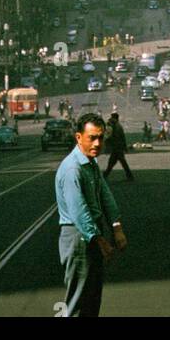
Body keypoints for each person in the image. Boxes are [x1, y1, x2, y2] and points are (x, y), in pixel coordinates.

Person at [55, 113, 127, 318]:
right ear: (79, 137)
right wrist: (100, 240)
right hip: (78, 237)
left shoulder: (90, 163)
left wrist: (116, 227)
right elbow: (78, 211)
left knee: (93, 298)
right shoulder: (72, 168)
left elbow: (105, 196)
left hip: (92, 233)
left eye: (101, 138)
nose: (97, 143)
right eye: (92, 138)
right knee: (77, 300)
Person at [103, 112, 134, 182]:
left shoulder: (115, 125)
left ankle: (105, 175)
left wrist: (108, 143)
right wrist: (125, 147)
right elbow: (122, 137)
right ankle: (129, 176)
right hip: (118, 147)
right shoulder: (118, 125)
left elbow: (111, 136)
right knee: (115, 162)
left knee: (114, 162)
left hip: (116, 147)